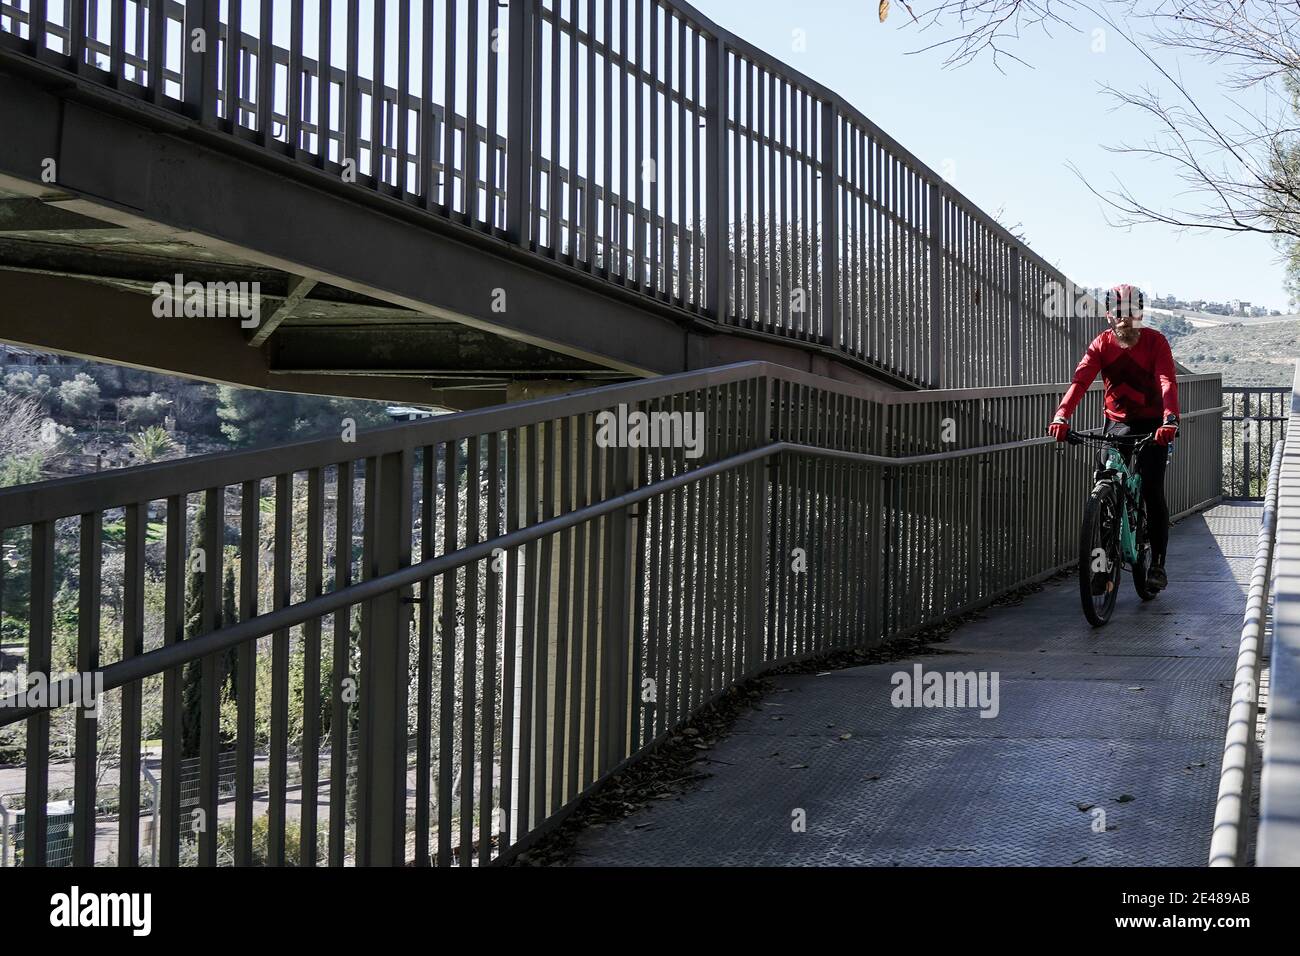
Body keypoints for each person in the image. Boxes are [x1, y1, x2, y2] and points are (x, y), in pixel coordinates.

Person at [1046, 284, 1180, 591]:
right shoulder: (1100, 345)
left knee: (1151, 490)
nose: (1125, 320)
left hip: (1153, 426)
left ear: (1140, 314)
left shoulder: (1155, 342)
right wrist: (1061, 416)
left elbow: (1166, 381)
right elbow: (1080, 381)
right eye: (1119, 313)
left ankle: (1157, 564)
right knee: (1104, 486)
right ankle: (1102, 568)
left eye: (1131, 313)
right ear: (1109, 316)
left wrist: (1170, 418)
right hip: (1117, 425)